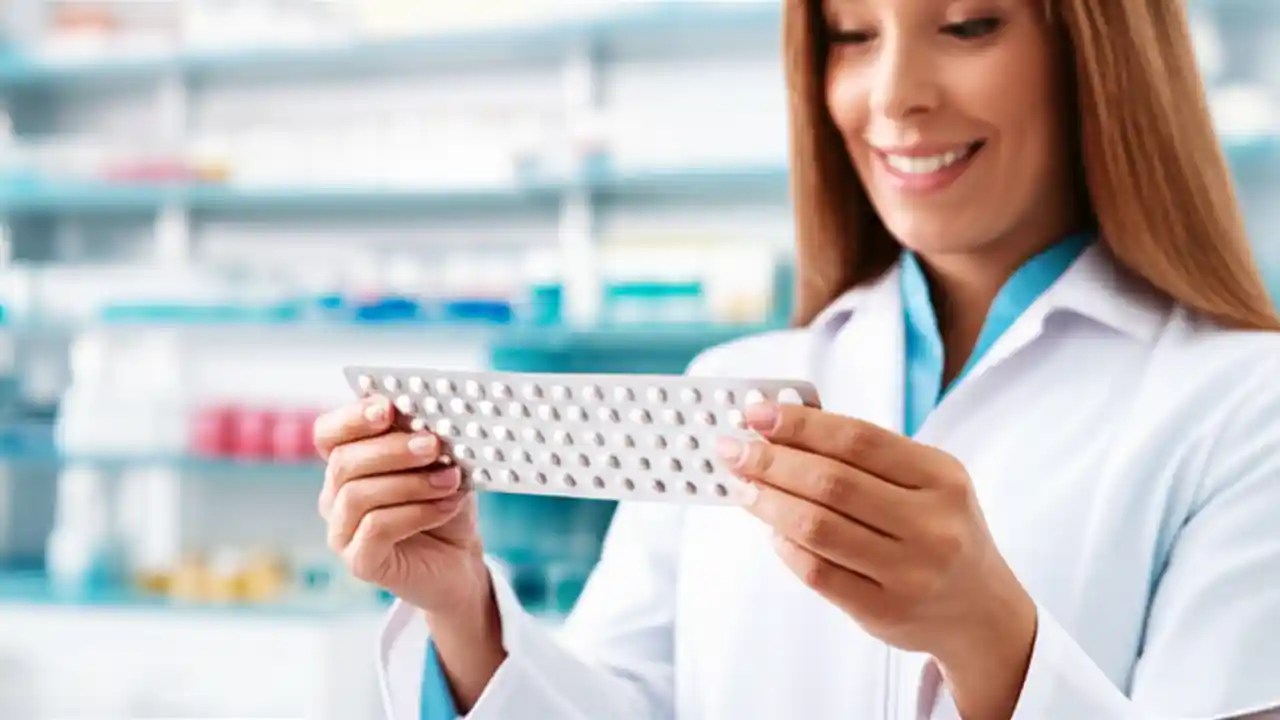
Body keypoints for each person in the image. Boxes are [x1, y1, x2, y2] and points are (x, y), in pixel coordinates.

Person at [312, 0, 1280, 717]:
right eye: (852, 36)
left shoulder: (1242, 405)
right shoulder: (726, 387)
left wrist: (989, 638)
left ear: (1095, 54)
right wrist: (460, 611)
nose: (893, 96)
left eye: (969, 25)